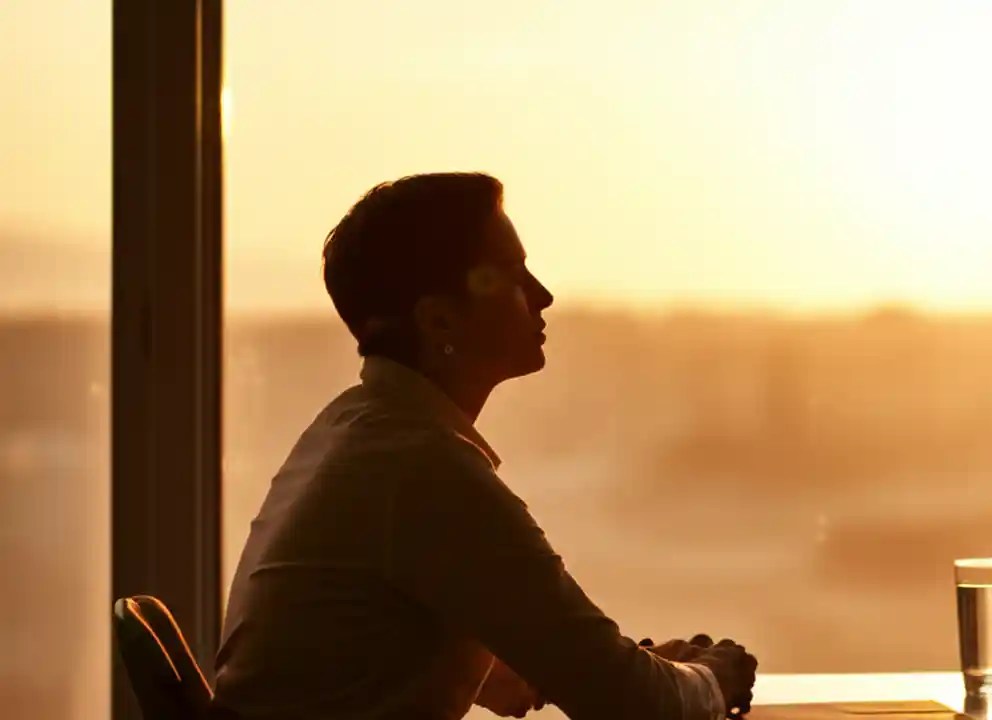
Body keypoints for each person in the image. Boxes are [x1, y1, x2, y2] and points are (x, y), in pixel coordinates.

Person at [209, 172, 758, 720]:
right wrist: (715, 678)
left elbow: (484, 670)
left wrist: (618, 668)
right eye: (511, 277)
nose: (543, 295)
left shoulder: (352, 431)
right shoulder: (422, 469)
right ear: (439, 319)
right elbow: (636, 706)